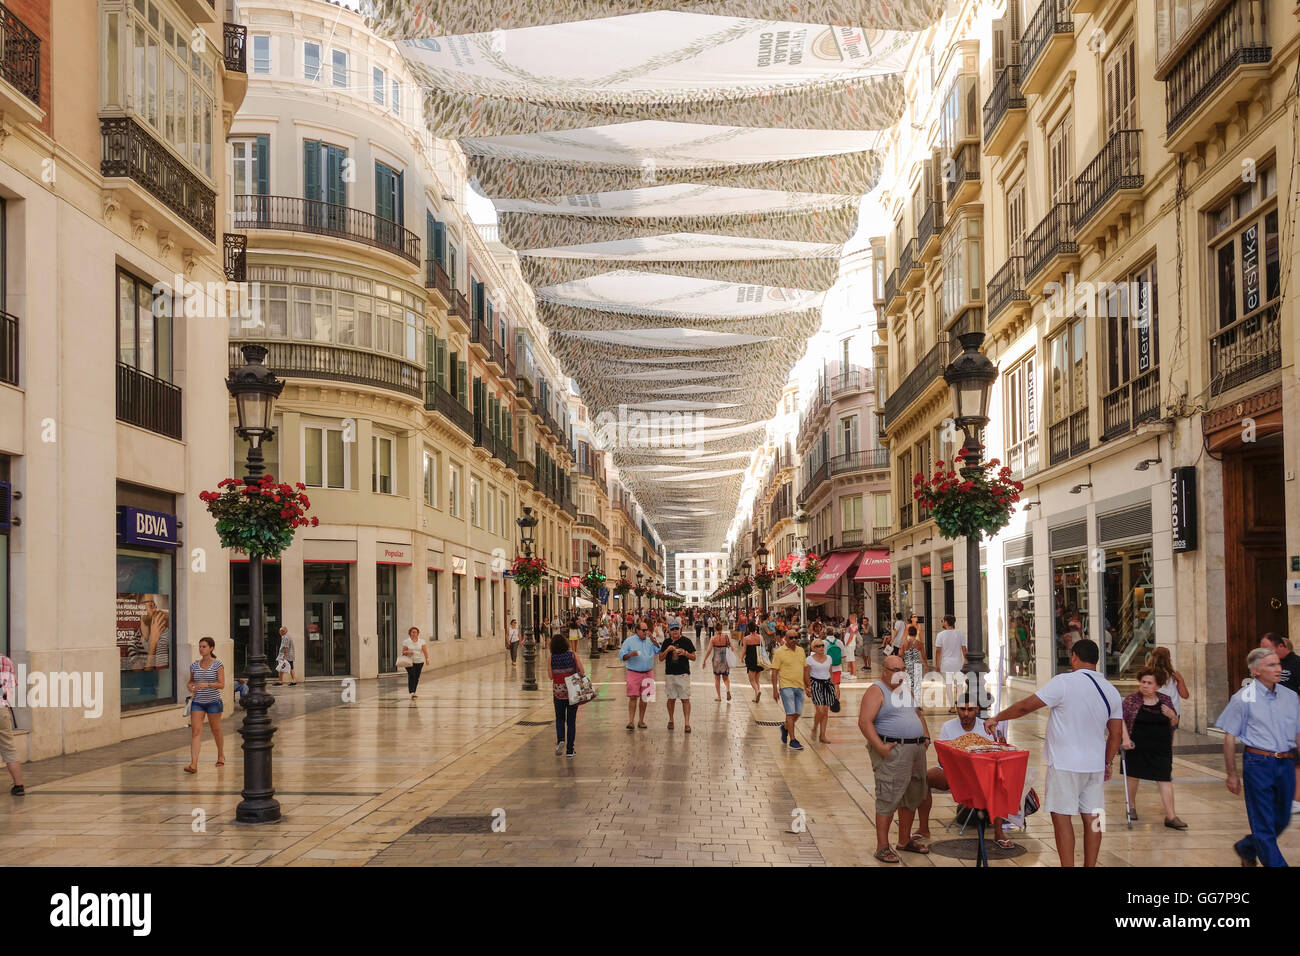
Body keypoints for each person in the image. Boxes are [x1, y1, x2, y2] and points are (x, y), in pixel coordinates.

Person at [985, 639, 1122, 867]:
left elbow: (1026, 706)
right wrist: (1108, 763)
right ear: (1097, 660)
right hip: (1095, 765)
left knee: (1061, 816)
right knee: (1094, 818)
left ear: (1074, 657)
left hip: (1065, 763)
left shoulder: (1064, 682)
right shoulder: (1111, 690)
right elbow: (1116, 735)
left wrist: (997, 718)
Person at [1218, 646, 1300, 866]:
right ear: (1256, 671)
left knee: (1281, 820)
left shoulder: (1291, 697)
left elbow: (1297, 732)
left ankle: (1246, 847)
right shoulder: (1243, 698)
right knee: (1263, 824)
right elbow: (1229, 738)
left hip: (1286, 763)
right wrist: (1231, 774)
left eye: (1278, 664)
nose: (1278, 669)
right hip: (1258, 764)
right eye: (1271, 665)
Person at [860, 655, 932, 862]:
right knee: (888, 796)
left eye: (903, 669)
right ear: (884, 671)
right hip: (894, 751)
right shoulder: (876, 690)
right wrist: (881, 748)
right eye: (895, 670)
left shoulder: (905, 690)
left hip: (915, 750)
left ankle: (904, 840)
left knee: (912, 796)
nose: (900, 674)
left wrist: (925, 737)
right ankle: (882, 846)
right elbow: (865, 722)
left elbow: (918, 714)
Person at [918, 696, 1012, 847]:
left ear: (977, 710)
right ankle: (923, 829)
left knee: (999, 781)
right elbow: (942, 759)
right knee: (922, 779)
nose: (966, 714)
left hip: (981, 773)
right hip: (953, 772)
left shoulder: (986, 726)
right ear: (956, 708)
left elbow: (997, 755)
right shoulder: (948, 726)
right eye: (962, 709)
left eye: (970, 709)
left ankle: (999, 833)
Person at [1121, 667, 1185, 829]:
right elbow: (1120, 719)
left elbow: (1174, 723)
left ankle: (1171, 816)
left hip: (1161, 747)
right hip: (1136, 746)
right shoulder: (1131, 700)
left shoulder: (1165, 700)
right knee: (1133, 776)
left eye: (1150, 683)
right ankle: (1132, 807)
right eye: (1143, 682)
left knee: (1164, 778)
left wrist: (1172, 716)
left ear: (1157, 686)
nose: (1145, 686)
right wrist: (1125, 738)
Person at [1258, 635, 1300, 813]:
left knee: (1296, 759)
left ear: (1281, 646)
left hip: (1293, 718)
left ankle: (1296, 799)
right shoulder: (1270, 666)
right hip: (1275, 720)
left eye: (1267, 648)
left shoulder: (1296, 664)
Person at [185, 637, 226, 774]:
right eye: (200, 646)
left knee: (216, 730)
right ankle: (193, 763)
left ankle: (220, 755)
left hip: (213, 702)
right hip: (198, 702)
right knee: (196, 732)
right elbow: (190, 682)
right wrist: (191, 687)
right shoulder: (194, 665)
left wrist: (208, 684)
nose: (201, 649)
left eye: (204, 646)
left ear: (211, 648)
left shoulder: (217, 665)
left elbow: (222, 684)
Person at [767, 630, 809, 751]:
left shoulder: (801, 651)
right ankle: (793, 740)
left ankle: (785, 728)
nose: (794, 640)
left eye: (796, 637)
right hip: (786, 687)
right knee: (790, 713)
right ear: (785, 638)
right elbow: (774, 672)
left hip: (799, 686)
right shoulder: (779, 652)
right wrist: (775, 689)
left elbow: (805, 669)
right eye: (791, 638)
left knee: (798, 712)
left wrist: (808, 686)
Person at [548, 632, 585, 757]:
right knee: (571, 721)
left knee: (559, 718)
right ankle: (570, 750)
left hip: (558, 691)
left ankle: (561, 740)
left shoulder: (551, 658)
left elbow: (550, 676)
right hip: (572, 692)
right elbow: (582, 671)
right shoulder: (573, 655)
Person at [620, 621, 659, 730]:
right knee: (633, 697)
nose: (645, 632)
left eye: (647, 630)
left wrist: (653, 639)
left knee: (645, 698)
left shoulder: (650, 641)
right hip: (634, 672)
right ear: (637, 630)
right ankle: (631, 721)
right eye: (643, 630)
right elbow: (622, 656)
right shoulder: (629, 641)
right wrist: (631, 654)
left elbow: (659, 650)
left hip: (648, 672)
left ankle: (641, 720)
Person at [659, 622, 696, 732]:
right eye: (672, 629)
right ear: (669, 631)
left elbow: (694, 657)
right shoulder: (666, 642)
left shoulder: (686, 641)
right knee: (671, 699)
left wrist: (685, 653)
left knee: (685, 699)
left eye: (677, 629)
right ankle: (671, 720)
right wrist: (667, 650)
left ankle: (687, 723)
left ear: (680, 630)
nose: (675, 631)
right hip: (670, 674)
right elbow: (660, 658)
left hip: (683, 674)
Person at [934, 615, 968, 713]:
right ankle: (960, 705)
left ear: (946, 622)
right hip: (958, 663)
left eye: (942, 621)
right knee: (960, 685)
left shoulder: (940, 635)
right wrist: (965, 660)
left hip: (946, 663)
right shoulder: (960, 634)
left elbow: (938, 651)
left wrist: (937, 664)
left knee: (949, 685)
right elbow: (964, 649)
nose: (942, 622)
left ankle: (952, 706)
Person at [1, 652, 23, 795]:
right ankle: (19, 786)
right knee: (8, 748)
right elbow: (12, 685)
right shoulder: (6, 661)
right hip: (2, 709)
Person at [807, 638, 837, 744]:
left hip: (827, 684)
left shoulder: (829, 658)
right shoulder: (809, 659)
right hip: (815, 684)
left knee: (825, 711)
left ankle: (823, 735)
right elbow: (806, 674)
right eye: (818, 646)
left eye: (822, 645)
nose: (821, 648)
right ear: (813, 648)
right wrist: (808, 687)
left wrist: (834, 688)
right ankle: (815, 728)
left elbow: (831, 673)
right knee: (820, 710)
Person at [899, 623, 928, 706]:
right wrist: (926, 665)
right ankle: (917, 703)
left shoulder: (904, 643)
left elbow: (901, 655)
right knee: (917, 684)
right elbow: (923, 655)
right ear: (916, 633)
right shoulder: (919, 643)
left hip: (908, 665)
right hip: (917, 665)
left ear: (908, 633)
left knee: (908, 684)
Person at [400, 626, 430, 699]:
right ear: (410, 633)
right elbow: (403, 652)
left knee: (416, 677)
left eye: (415, 632)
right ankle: (412, 692)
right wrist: (407, 652)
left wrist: (427, 659)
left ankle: (414, 691)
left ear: (418, 633)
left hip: (419, 661)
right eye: (412, 632)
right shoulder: (406, 641)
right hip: (409, 662)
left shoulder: (422, 641)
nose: (414, 633)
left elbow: (425, 651)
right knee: (412, 675)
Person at [708, 622, 732, 701]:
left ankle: (719, 697)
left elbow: (709, 650)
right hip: (724, 659)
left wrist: (704, 660)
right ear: (722, 628)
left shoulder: (713, 638)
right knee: (726, 678)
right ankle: (728, 690)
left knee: (717, 679)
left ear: (715, 628)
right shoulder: (726, 637)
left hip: (716, 659)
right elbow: (733, 648)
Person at [742, 622, 764, 702]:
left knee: (751, 680)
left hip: (751, 659)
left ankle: (757, 692)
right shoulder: (760, 637)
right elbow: (763, 648)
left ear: (748, 628)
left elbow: (744, 650)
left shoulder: (746, 638)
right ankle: (756, 697)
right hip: (759, 659)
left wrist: (741, 658)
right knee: (757, 680)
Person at [844, 613, 861, 679]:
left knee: (852, 659)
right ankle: (851, 673)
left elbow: (851, 636)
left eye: (850, 618)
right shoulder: (852, 625)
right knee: (850, 659)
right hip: (849, 644)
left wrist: (847, 643)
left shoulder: (854, 626)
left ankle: (854, 674)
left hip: (850, 645)